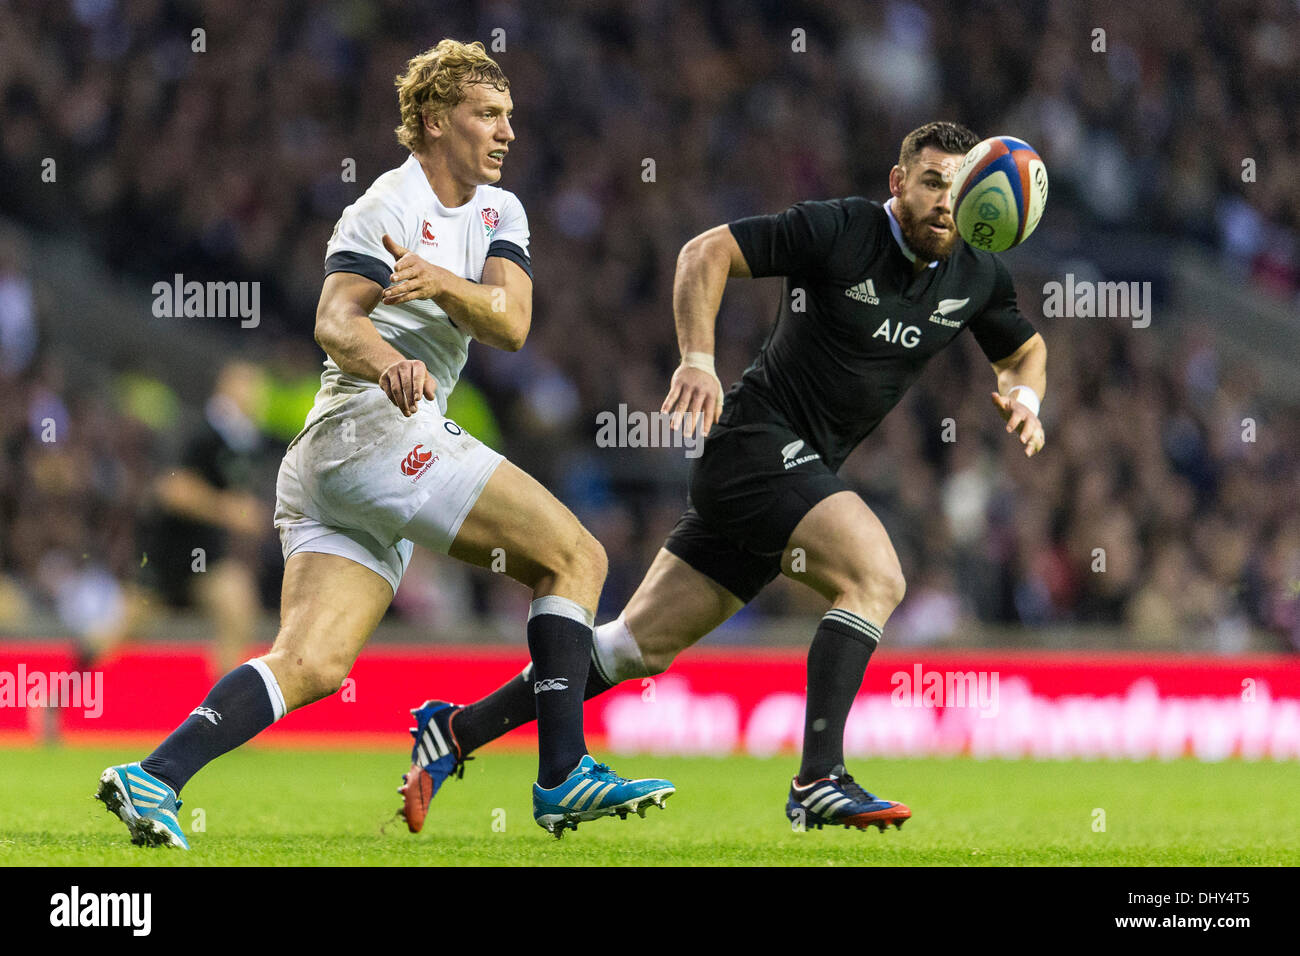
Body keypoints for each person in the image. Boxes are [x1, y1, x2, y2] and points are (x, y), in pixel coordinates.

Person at [95, 39, 673, 848]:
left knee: (313, 664)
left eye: (510, 116)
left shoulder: (501, 211)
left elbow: (511, 324)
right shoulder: (384, 207)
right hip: (374, 427)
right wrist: (391, 358)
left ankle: (153, 776)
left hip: (347, 459)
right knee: (576, 558)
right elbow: (335, 320)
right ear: (435, 120)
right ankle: (562, 775)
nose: (507, 132)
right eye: (487, 115)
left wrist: (440, 285)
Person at [400, 121, 1047, 833]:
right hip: (754, 448)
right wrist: (698, 359)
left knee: (630, 648)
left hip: (789, 481)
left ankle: (454, 731)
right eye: (930, 182)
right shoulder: (839, 230)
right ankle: (819, 778)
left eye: (958, 187)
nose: (945, 201)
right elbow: (705, 251)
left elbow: (1024, 347)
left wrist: (1025, 395)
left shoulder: (978, 275)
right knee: (877, 575)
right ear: (898, 183)